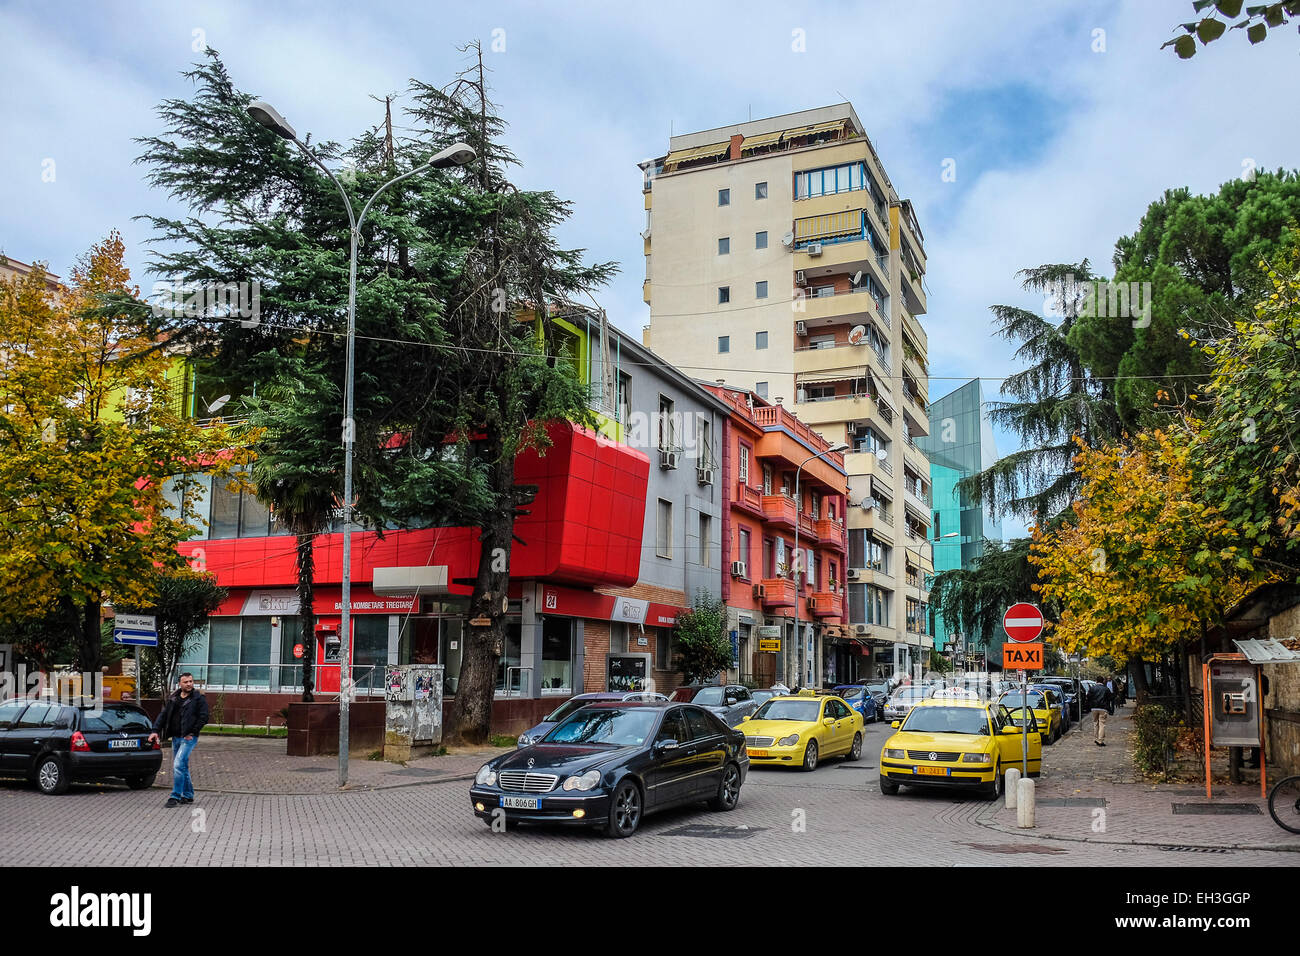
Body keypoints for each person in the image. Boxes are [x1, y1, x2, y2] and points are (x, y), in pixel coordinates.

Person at [147, 673, 209, 807]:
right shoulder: (174, 698)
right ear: (179, 684)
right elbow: (163, 715)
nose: (189, 684)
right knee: (182, 766)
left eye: (191, 681)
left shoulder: (198, 698)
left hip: (189, 738)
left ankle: (175, 796)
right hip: (176, 737)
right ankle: (188, 795)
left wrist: (193, 732)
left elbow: (204, 717)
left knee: (177, 765)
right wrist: (155, 731)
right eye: (186, 682)